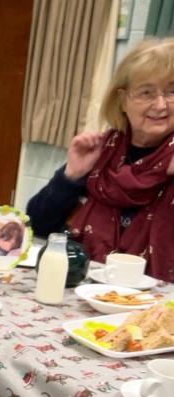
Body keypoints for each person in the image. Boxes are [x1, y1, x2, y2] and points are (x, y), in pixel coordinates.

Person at [27, 38, 174, 282]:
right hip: (86, 287)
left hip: (159, 301)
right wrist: (70, 176)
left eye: (172, 92)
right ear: (122, 100)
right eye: (146, 92)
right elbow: (37, 225)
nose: (160, 105)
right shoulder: (103, 152)